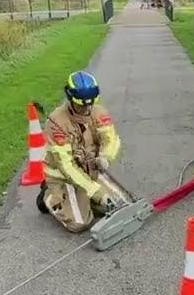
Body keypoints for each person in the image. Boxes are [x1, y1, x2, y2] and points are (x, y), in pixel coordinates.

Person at [36, 70, 128, 233]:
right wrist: (97, 193)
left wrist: (105, 157)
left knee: (121, 205)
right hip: (65, 178)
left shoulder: (98, 112)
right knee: (80, 224)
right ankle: (49, 196)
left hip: (90, 172)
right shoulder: (57, 123)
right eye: (82, 105)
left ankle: (87, 201)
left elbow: (111, 138)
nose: (87, 108)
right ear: (71, 99)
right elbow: (67, 166)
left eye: (90, 104)